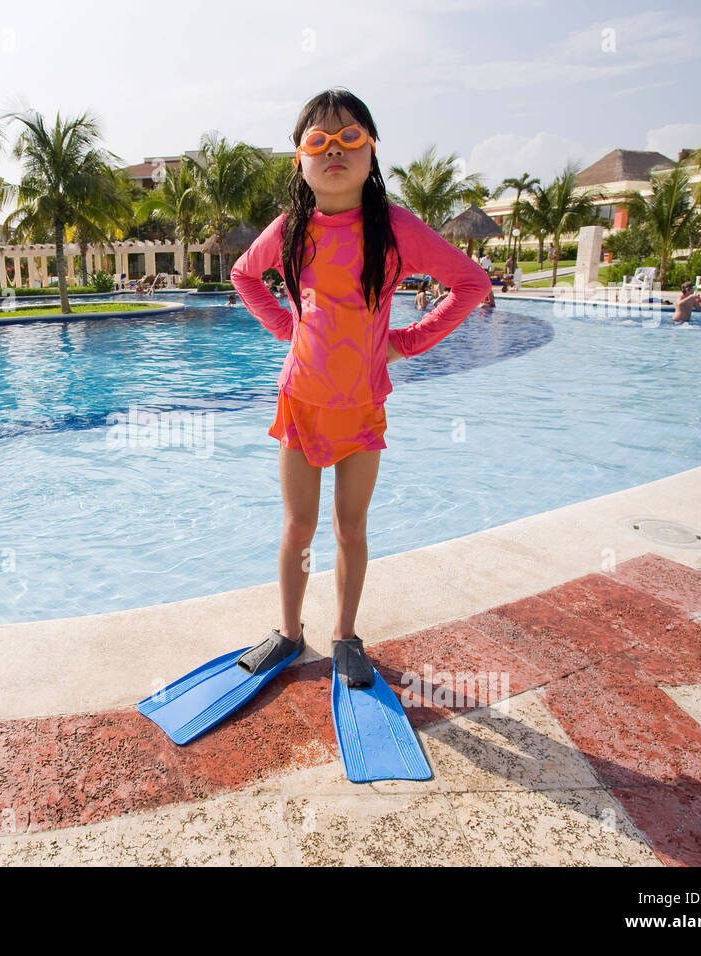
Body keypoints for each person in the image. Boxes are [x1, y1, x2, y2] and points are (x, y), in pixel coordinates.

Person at [141, 90, 489, 775]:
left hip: (361, 406)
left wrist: (406, 342)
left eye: (348, 140)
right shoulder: (292, 228)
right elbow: (246, 275)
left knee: (350, 528)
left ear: (372, 150)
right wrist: (287, 330)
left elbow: (470, 283)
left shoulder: (394, 227)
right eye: (317, 145)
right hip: (300, 401)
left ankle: (346, 637)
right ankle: (289, 633)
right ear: (299, 161)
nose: (333, 154)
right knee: (298, 528)